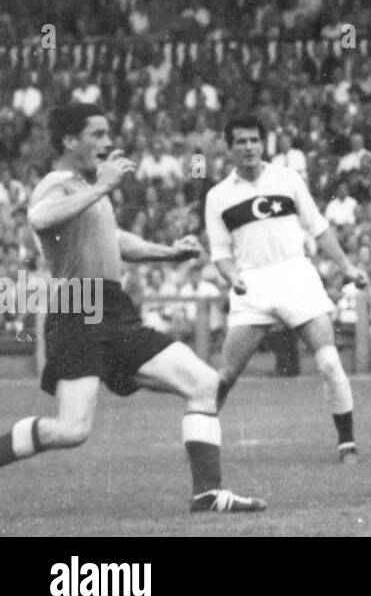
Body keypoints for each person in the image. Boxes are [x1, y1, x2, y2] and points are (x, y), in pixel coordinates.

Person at [0, 104, 264, 513]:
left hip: (113, 307)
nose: (108, 143)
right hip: (78, 305)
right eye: (97, 134)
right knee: (72, 430)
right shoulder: (59, 182)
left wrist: (169, 253)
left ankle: (208, 494)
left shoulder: (90, 188)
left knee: (204, 384)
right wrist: (102, 187)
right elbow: (38, 217)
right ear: (70, 141)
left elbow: (115, 239)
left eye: (109, 133)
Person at [205, 115, 370, 463]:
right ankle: (201, 442)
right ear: (229, 147)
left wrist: (348, 267)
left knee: (328, 362)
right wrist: (231, 276)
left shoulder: (288, 178)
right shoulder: (217, 196)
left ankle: (347, 445)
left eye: (254, 140)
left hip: (296, 276)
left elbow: (319, 227)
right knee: (225, 375)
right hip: (253, 284)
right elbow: (220, 253)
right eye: (240, 142)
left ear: (263, 144)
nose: (248, 147)